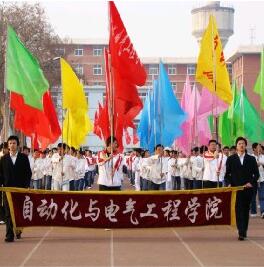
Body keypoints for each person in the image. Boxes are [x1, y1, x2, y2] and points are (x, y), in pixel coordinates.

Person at [224, 137, 259, 241]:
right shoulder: (231, 159)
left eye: (243, 143)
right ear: (236, 146)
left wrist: (251, 182)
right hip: (236, 189)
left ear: (245, 145)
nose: (241, 145)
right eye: (239, 143)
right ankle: (241, 232)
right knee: (238, 210)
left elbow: (256, 174)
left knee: (245, 210)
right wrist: (230, 183)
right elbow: (227, 175)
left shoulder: (251, 159)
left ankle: (244, 229)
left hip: (248, 189)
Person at [0, 135, 32, 242]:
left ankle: (18, 231)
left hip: (20, 190)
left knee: (18, 212)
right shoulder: (4, 159)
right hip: (7, 190)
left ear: (17, 145)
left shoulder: (23, 158)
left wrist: (26, 186)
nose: (12, 145)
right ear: (7, 145)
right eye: (10, 143)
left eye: (14, 143)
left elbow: (28, 173)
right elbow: (1, 174)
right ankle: (9, 234)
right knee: (8, 212)